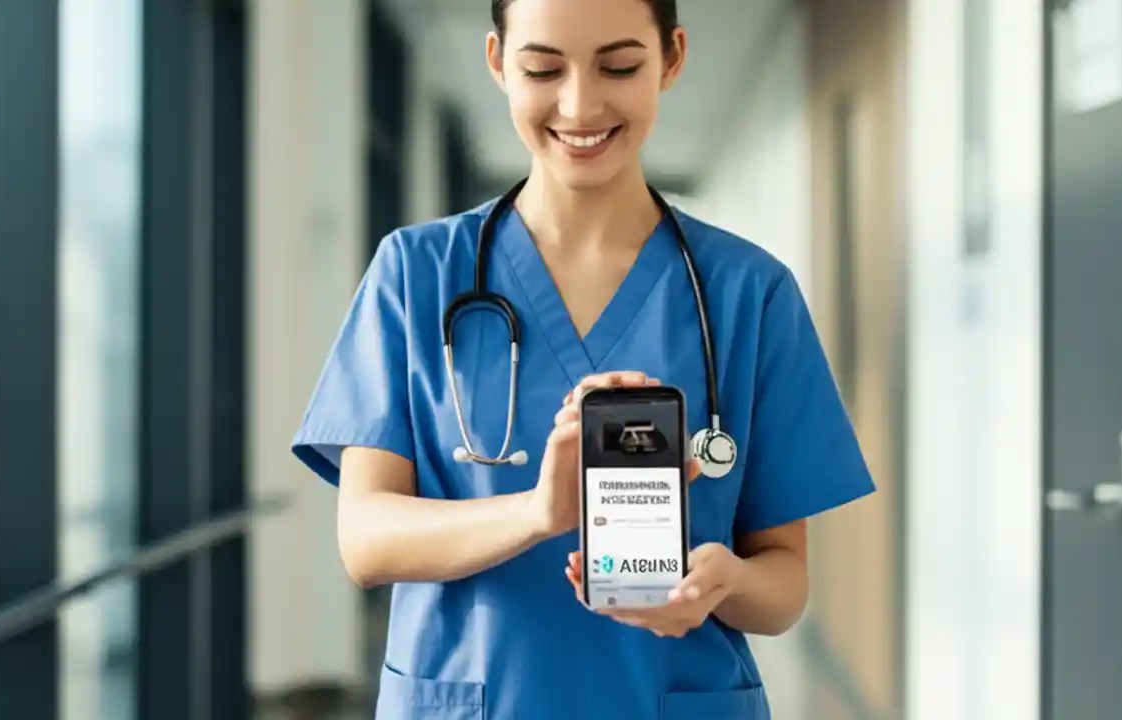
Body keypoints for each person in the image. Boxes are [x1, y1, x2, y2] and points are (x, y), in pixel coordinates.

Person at [290, 0, 876, 717]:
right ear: (498, 62)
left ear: (673, 57)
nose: (579, 104)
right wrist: (537, 512)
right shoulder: (416, 273)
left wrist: (723, 584)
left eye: (619, 66)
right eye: (543, 69)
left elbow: (783, 586)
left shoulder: (748, 292)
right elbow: (366, 541)